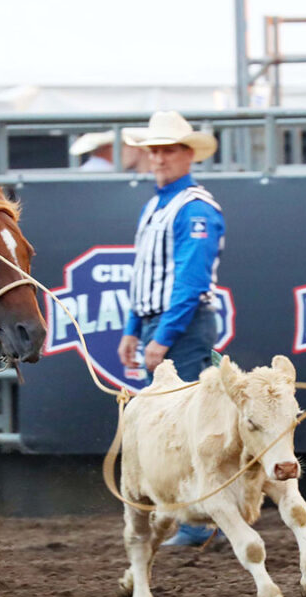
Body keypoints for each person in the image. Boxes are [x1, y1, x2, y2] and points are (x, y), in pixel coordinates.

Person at [115, 111, 225, 546]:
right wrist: (133, 328)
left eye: (168, 150)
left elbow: (191, 281)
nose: (159, 158)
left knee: (183, 424)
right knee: (171, 423)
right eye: (154, 150)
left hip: (181, 325)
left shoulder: (194, 209)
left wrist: (161, 337)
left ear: (188, 154)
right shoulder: (158, 205)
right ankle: (192, 516)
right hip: (160, 322)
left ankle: (200, 521)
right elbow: (148, 273)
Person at [70, 130, 150, 173]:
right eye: (125, 144)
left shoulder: (95, 168)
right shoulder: (100, 170)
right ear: (109, 147)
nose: (138, 149)